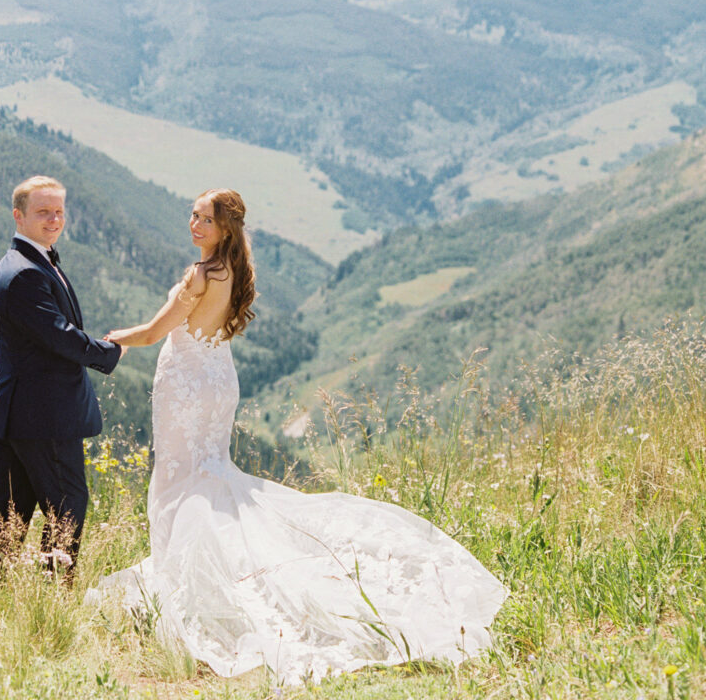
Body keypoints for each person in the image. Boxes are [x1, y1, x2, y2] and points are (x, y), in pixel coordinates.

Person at [95, 190, 507, 684]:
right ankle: (203, 574)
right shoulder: (230, 271)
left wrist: (106, 340)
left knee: (183, 482)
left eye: (205, 219)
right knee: (213, 477)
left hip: (186, 388)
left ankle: (193, 582)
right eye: (194, 216)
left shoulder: (200, 274)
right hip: (216, 380)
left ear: (226, 228)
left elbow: (153, 332)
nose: (194, 225)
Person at [0, 174, 123, 583]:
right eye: (43, 212)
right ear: (18, 216)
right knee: (67, 505)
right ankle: (52, 594)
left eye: (59, 211)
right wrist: (110, 352)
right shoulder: (25, 273)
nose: (54, 219)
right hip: (43, 415)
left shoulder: (32, 260)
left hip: (20, 411)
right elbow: (58, 335)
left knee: (10, 512)